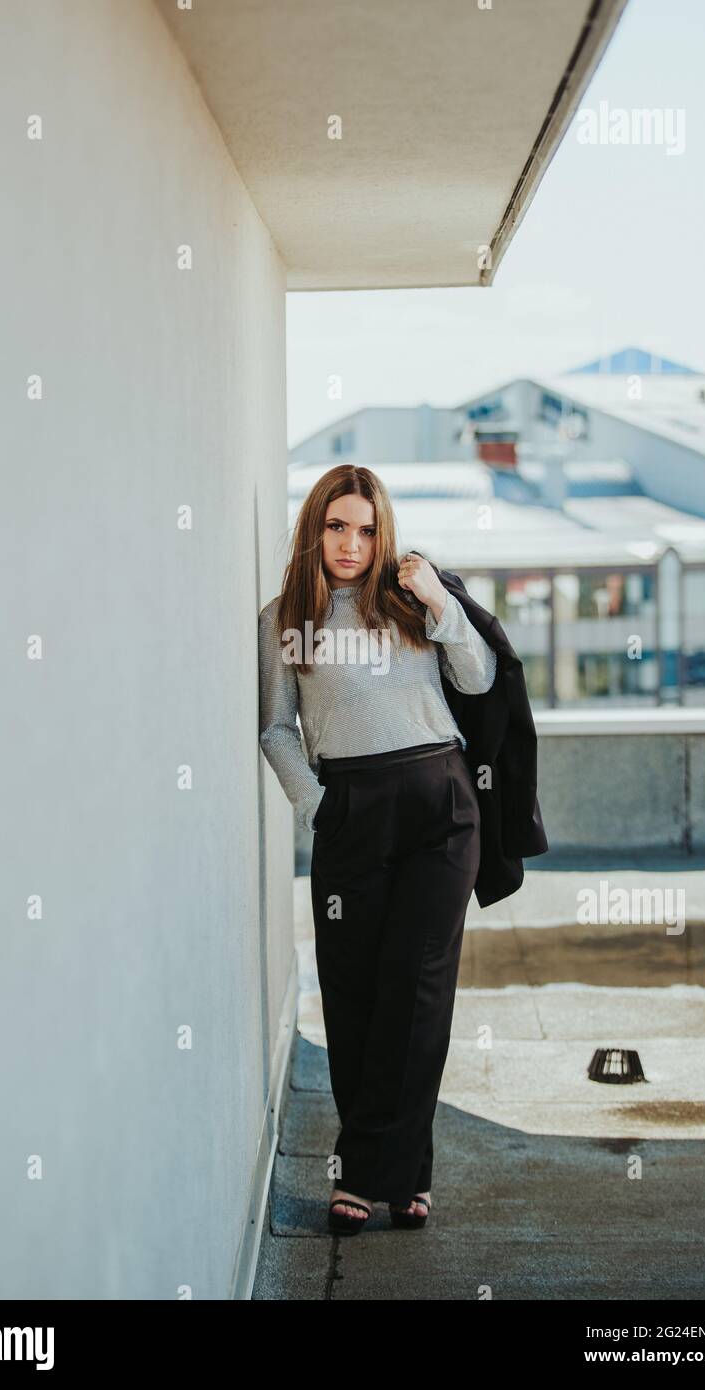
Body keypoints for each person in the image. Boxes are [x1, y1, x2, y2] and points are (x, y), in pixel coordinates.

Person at [258, 465, 496, 1234]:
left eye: (365, 528)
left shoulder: (409, 602)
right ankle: (409, 1171)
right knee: (357, 997)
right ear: (314, 529)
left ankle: (363, 1173)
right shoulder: (285, 622)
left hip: (439, 805)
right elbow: (274, 727)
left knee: (418, 990)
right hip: (351, 812)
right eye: (336, 526)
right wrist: (317, 806)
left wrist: (443, 606)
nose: (351, 544)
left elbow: (479, 676)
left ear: (381, 532)